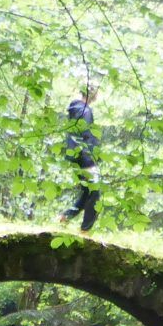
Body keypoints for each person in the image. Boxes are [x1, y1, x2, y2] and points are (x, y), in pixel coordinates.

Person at [59, 88, 100, 231]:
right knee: (95, 192)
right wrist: (90, 159)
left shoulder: (76, 110)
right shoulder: (85, 111)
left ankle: (66, 216)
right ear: (92, 93)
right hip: (85, 158)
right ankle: (85, 229)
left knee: (87, 191)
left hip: (77, 157)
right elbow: (85, 136)